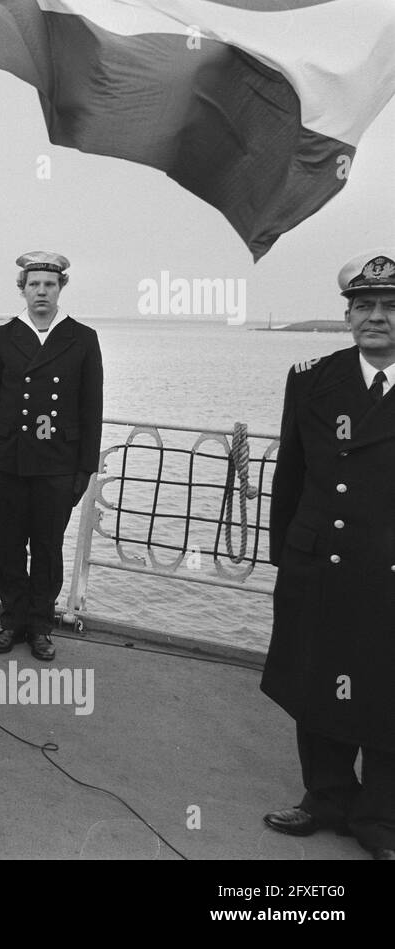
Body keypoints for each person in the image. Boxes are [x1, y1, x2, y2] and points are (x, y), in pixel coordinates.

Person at [261, 251, 395, 860]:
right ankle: (327, 796)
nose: (376, 318)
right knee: (319, 680)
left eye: (390, 308)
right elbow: (290, 473)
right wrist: (284, 554)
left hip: (388, 567)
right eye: (364, 307)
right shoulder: (313, 377)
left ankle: (381, 817)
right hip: (321, 560)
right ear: (348, 315)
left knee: (386, 687)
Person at [0, 252, 103, 661]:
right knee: (10, 547)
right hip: (8, 462)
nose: (41, 291)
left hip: (58, 464)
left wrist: (85, 467)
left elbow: (91, 408)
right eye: (33, 284)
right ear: (22, 288)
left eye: (49, 284)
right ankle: (11, 621)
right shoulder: (2, 337)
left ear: (60, 288)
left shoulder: (82, 337)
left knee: (48, 548)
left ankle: (40, 626)